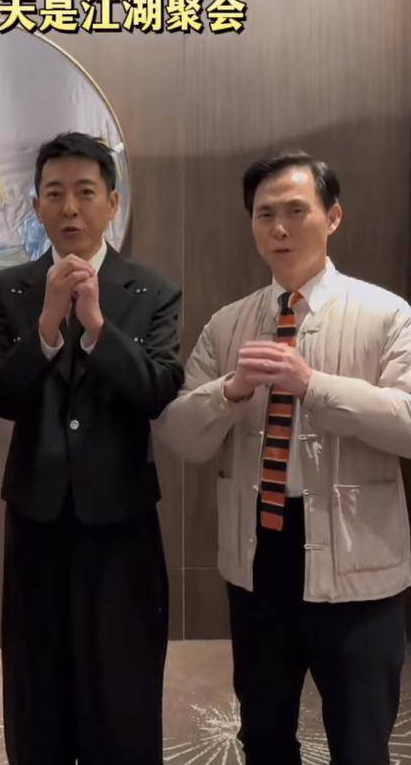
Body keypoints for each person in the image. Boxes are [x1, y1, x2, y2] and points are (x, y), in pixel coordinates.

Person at [156, 150, 411, 765]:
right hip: (258, 555)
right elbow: (179, 436)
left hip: (360, 563)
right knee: (265, 735)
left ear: (333, 217)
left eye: (297, 211)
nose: (279, 228)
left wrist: (312, 385)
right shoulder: (228, 325)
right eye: (264, 214)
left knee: (360, 741)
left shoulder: (387, 314)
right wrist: (230, 391)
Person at [0, 132, 183, 765]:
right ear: (36, 206)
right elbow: (1, 396)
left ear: (112, 202)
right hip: (35, 513)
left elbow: (156, 391)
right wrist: (46, 324)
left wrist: (97, 326)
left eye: (85, 192)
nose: (70, 207)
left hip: (121, 515)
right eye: (54, 193)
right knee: (36, 684)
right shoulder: (8, 289)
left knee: (123, 683)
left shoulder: (152, 290)